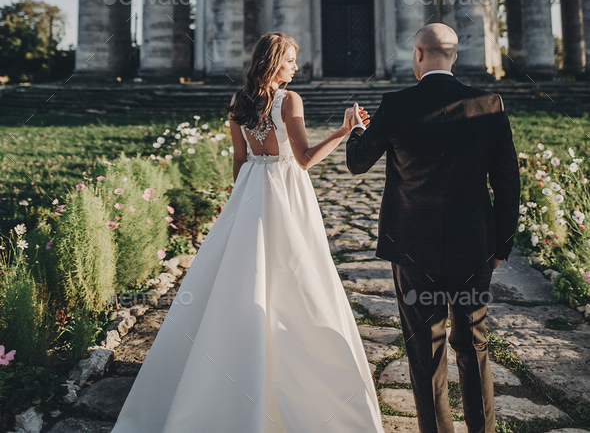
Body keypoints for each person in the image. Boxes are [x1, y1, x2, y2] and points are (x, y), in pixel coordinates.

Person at [112, 32, 384, 433]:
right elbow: (305, 160)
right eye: (290, 60)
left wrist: (241, 205)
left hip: (252, 189)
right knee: (295, 272)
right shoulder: (289, 100)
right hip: (287, 192)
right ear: (274, 63)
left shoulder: (239, 102)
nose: (296, 67)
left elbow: (240, 162)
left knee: (242, 272)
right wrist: (344, 131)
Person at [346, 23, 521, 433]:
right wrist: (502, 244)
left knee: (425, 349)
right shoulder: (488, 103)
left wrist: (356, 126)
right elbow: (508, 181)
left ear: (418, 56)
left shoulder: (396, 104)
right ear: (455, 57)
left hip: (412, 246)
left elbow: (357, 162)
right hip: (474, 244)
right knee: (473, 343)